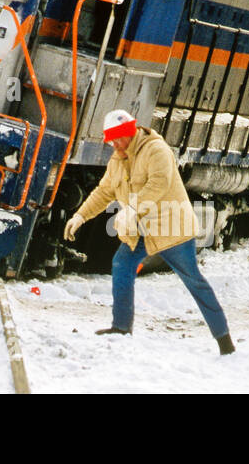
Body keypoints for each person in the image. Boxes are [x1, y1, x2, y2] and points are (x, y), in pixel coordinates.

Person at [64, 109, 235, 355]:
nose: (112, 145)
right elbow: (104, 192)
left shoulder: (157, 150)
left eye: (115, 139)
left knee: (193, 281)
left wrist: (133, 208)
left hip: (171, 229)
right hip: (142, 230)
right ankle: (121, 327)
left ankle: (224, 340)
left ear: (127, 134)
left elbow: (159, 184)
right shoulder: (117, 160)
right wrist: (80, 216)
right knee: (122, 264)